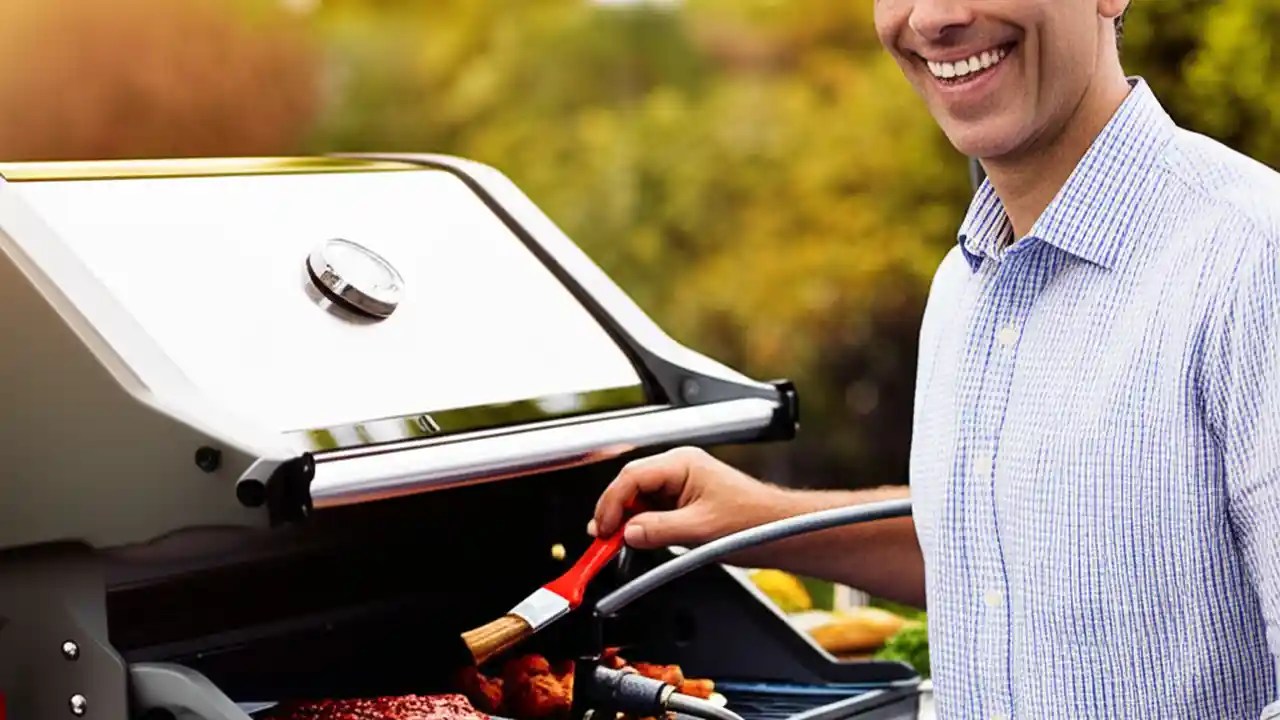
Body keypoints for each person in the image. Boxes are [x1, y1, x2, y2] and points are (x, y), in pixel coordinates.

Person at [588, 1, 1280, 717]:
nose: (938, 18)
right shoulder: (963, 287)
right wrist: (756, 518)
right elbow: (999, 556)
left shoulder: (1255, 262)